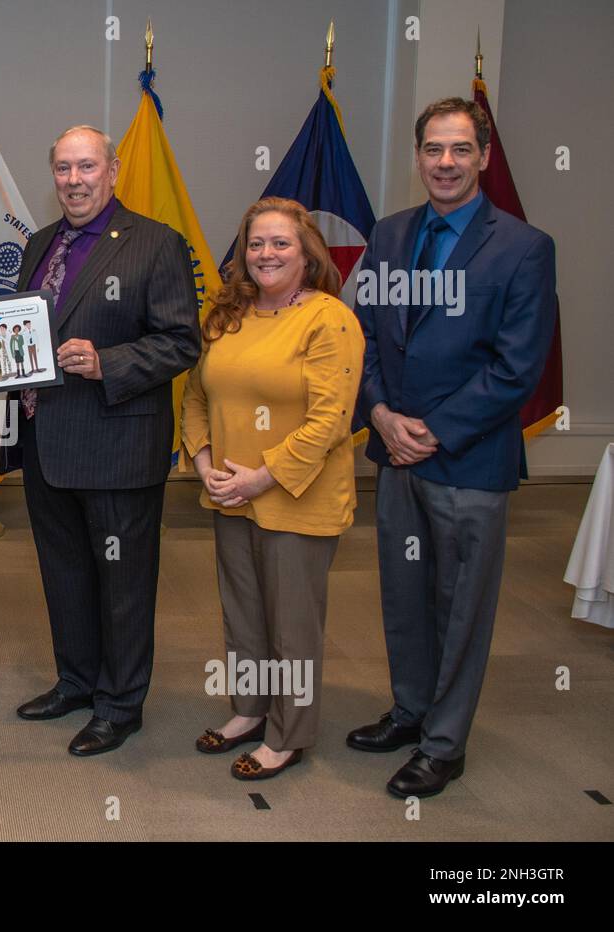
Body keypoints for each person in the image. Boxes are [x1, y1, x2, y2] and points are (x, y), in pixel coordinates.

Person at [347, 98, 557, 797]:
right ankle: (410, 711)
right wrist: (378, 413)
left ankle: (444, 742)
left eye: (460, 150)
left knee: (460, 602)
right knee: (404, 595)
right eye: (433, 149)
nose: (445, 162)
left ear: (484, 157)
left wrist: (431, 429)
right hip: (394, 449)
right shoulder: (389, 234)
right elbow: (367, 336)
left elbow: (517, 366)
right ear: (418, 156)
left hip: (467, 458)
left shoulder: (524, 247)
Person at [7, 125, 199, 755]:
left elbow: (180, 342)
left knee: (122, 581)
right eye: (63, 169)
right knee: (64, 574)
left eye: (86, 167)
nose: (74, 180)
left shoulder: (155, 244)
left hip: (117, 448)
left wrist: (107, 362)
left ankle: (120, 703)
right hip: (46, 445)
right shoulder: (40, 244)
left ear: (112, 170)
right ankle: (77, 681)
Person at [181, 197, 364, 780]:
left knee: (291, 623)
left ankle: (289, 733)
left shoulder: (329, 318)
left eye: (281, 243)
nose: (266, 254)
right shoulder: (226, 315)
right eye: (256, 243)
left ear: (307, 253)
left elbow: (330, 419)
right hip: (229, 493)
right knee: (245, 616)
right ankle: (251, 708)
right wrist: (206, 462)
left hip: (294, 497)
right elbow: (196, 396)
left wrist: (260, 477)